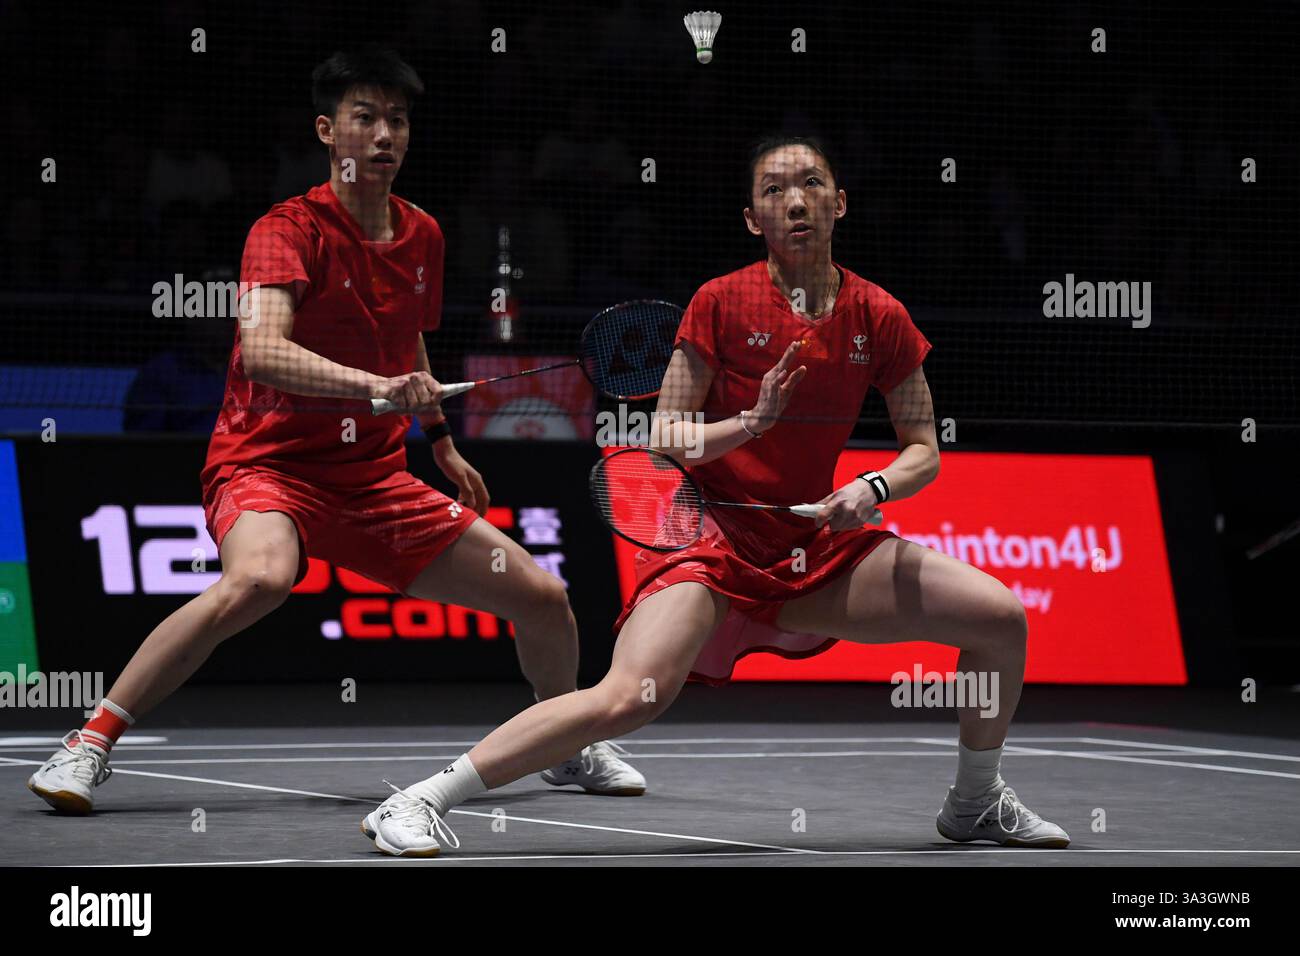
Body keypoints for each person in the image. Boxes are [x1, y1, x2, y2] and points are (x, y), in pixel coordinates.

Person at [361, 135, 1068, 856]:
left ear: (840, 203)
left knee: (998, 618)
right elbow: (666, 432)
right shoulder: (720, 302)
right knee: (630, 696)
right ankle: (422, 799)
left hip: (809, 540)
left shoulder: (878, 314)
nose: (796, 200)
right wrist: (752, 423)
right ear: (752, 218)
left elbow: (924, 450)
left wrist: (871, 486)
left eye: (813, 184)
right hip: (706, 537)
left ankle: (976, 801)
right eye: (774, 190)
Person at [27, 46, 643, 819]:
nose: (385, 134)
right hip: (268, 463)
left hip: (373, 480)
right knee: (260, 578)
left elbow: (409, 337)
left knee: (544, 598)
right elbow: (264, 349)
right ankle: (89, 742)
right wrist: (375, 389)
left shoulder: (423, 236)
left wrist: (440, 438)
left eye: (398, 120)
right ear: (328, 131)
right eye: (366, 117)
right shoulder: (286, 230)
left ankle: (565, 743)